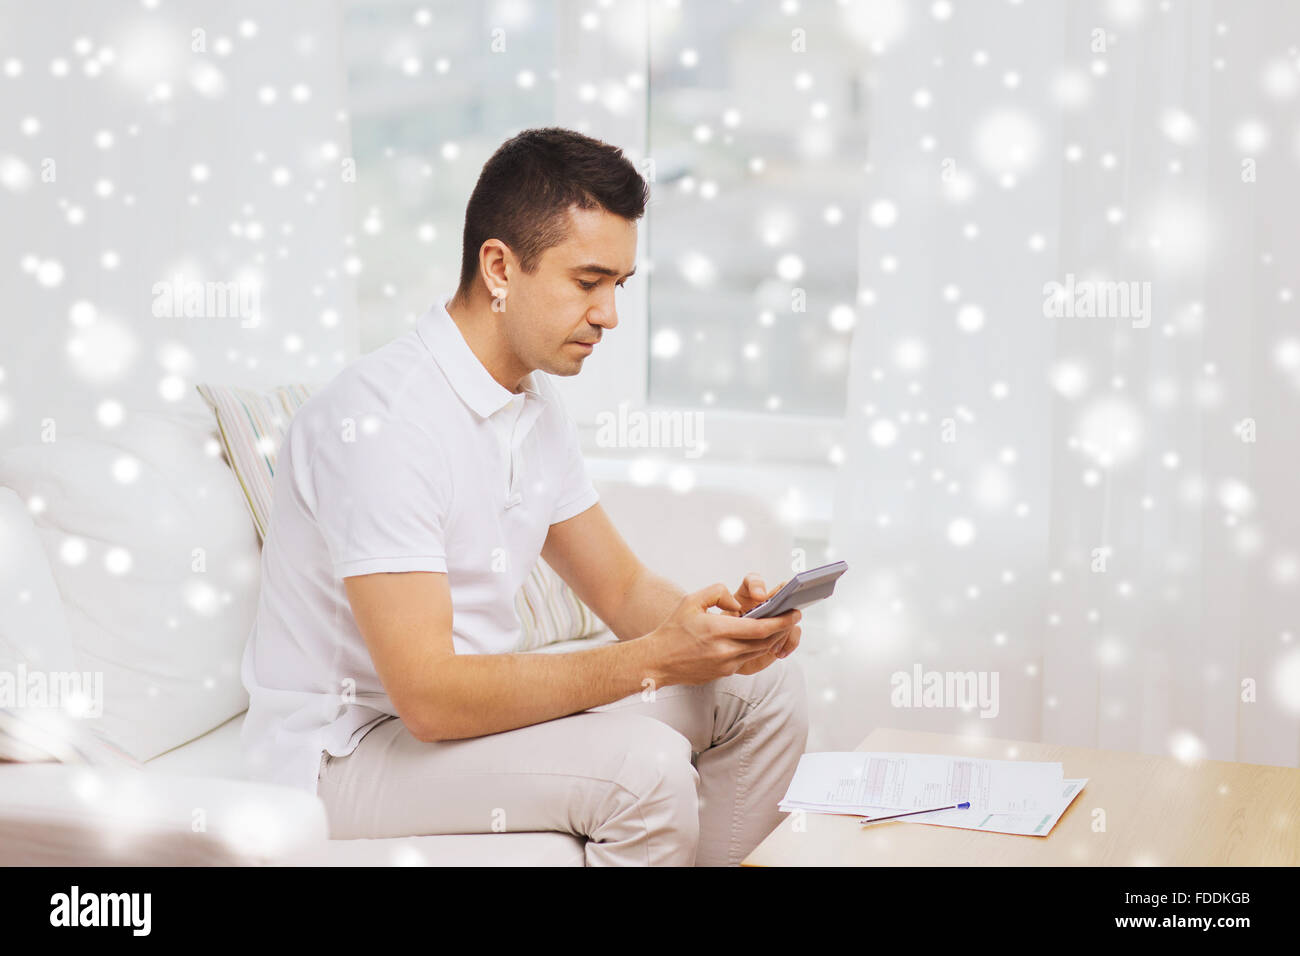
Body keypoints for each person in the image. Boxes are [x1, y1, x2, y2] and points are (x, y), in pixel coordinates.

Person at [240, 126, 809, 866]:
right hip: (348, 753)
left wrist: (718, 634)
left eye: (619, 286)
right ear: (500, 267)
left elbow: (623, 585)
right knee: (644, 771)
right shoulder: (383, 422)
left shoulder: (531, 406)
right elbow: (429, 696)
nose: (609, 314)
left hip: (461, 728)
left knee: (763, 693)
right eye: (588, 281)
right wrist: (656, 662)